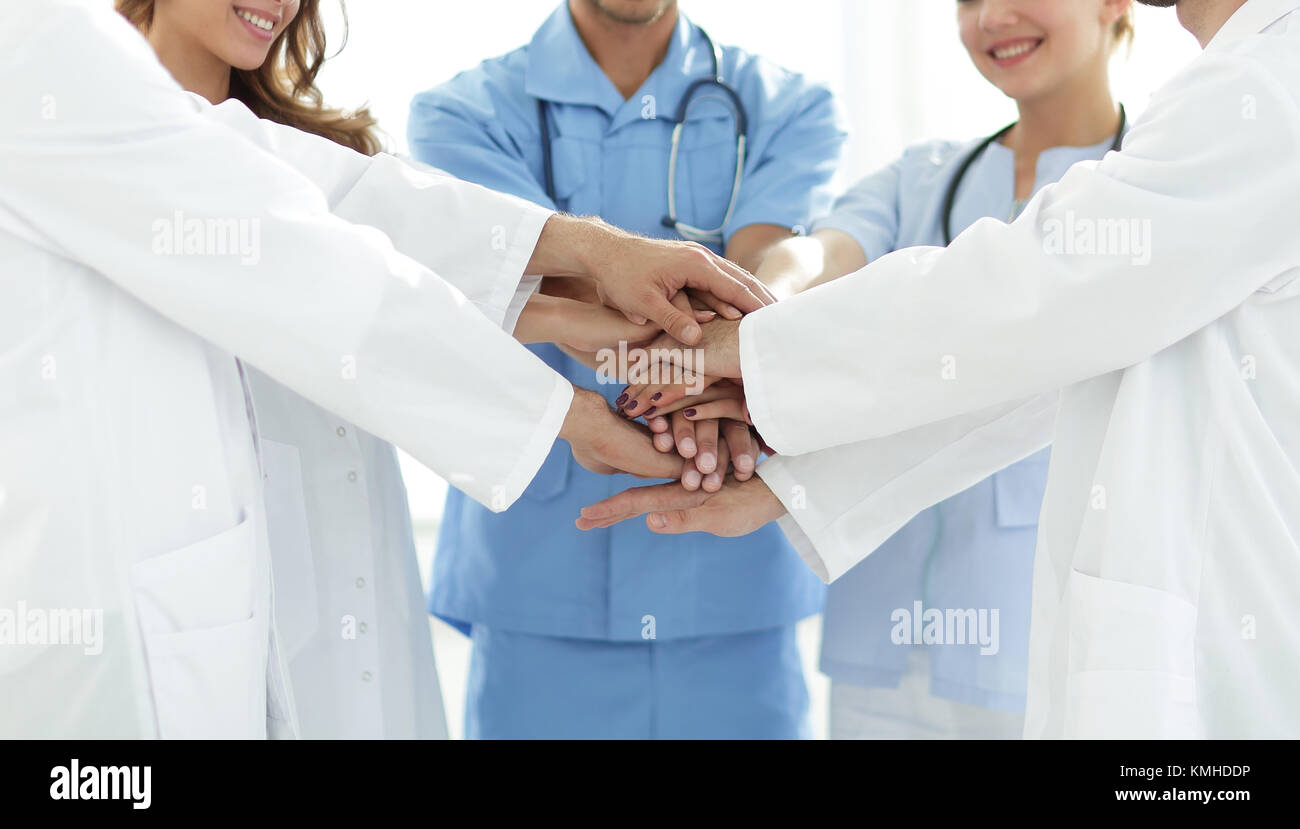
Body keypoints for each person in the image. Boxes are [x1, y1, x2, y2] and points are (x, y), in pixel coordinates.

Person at [0, 0, 771, 738]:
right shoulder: (42, 49)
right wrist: (564, 411)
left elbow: (321, 191)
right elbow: (288, 252)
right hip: (95, 633)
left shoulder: (76, 55)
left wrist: (594, 255)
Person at [580, 0, 1300, 738]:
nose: (992, 15)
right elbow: (1044, 363)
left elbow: (1035, 293)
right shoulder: (1233, 88)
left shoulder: (1265, 88)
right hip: (919, 639)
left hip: (1199, 662)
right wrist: (792, 472)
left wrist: (752, 352)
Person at [407, 0, 846, 738]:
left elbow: (768, 278)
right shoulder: (463, 114)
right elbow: (544, 281)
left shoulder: (789, 107)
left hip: (732, 595)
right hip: (541, 587)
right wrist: (713, 366)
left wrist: (730, 342)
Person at [751, 0, 1134, 740]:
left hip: (1036, 643)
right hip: (877, 638)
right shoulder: (923, 175)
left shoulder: (1149, 187)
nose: (992, 15)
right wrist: (765, 299)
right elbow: (826, 251)